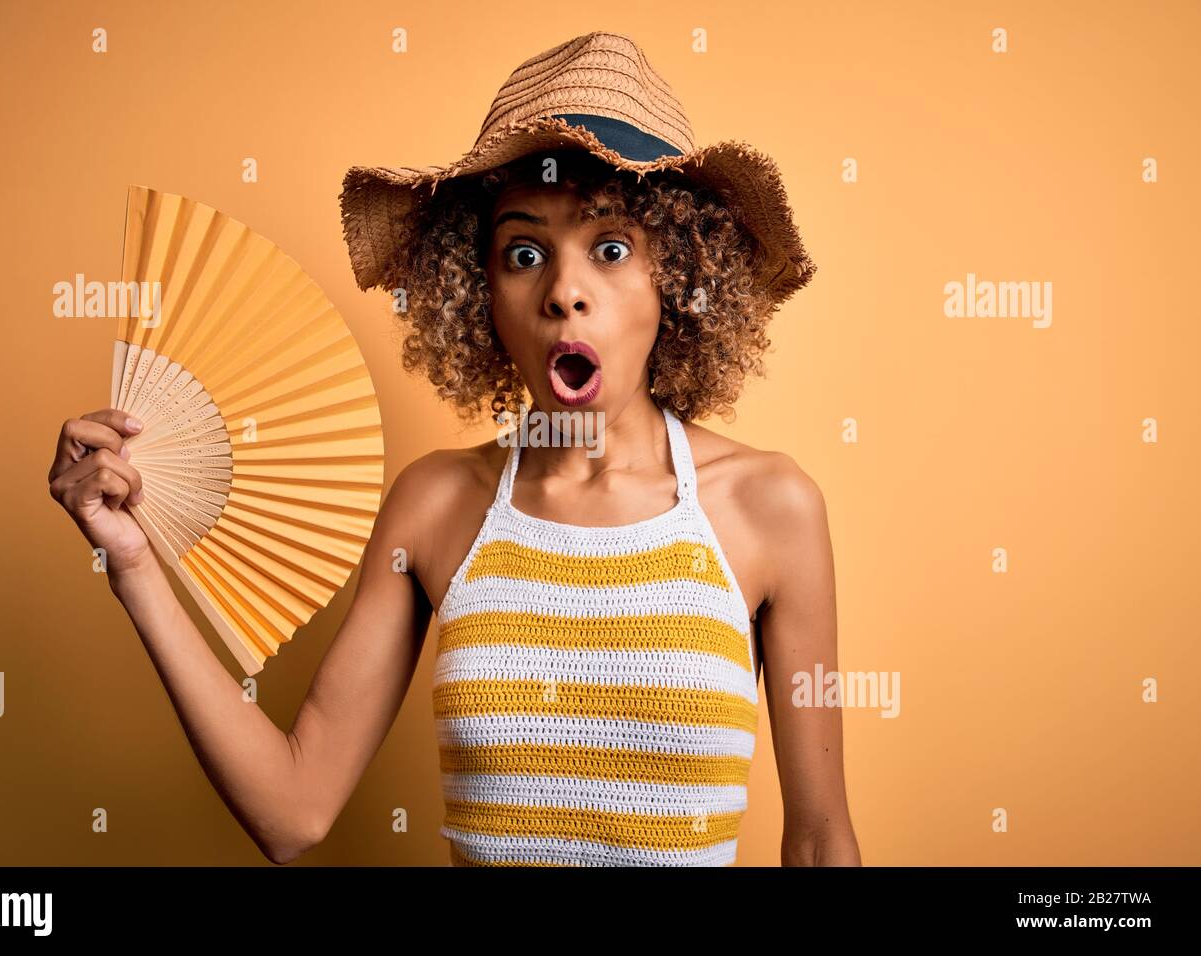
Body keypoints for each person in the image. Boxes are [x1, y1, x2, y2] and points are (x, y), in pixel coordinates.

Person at [48, 31, 860, 866]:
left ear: (676, 278)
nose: (565, 292)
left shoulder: (769, 508)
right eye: (524, 254)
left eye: (611, 249)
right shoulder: (435, 506)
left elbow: (819, 839)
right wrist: (135, 567)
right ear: (479, 294)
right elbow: (293, 812)